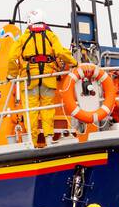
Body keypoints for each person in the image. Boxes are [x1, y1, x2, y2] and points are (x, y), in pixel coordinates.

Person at [8, 8, 75, 148]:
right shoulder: (51, 36)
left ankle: (31, 141)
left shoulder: (23, 38)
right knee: (47, 109)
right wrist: (74, 63)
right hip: (48, 79)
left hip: (30, 80)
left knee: (31, 111)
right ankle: (49, 139)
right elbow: (61, 52)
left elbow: (12, 57)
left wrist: (12, 75)